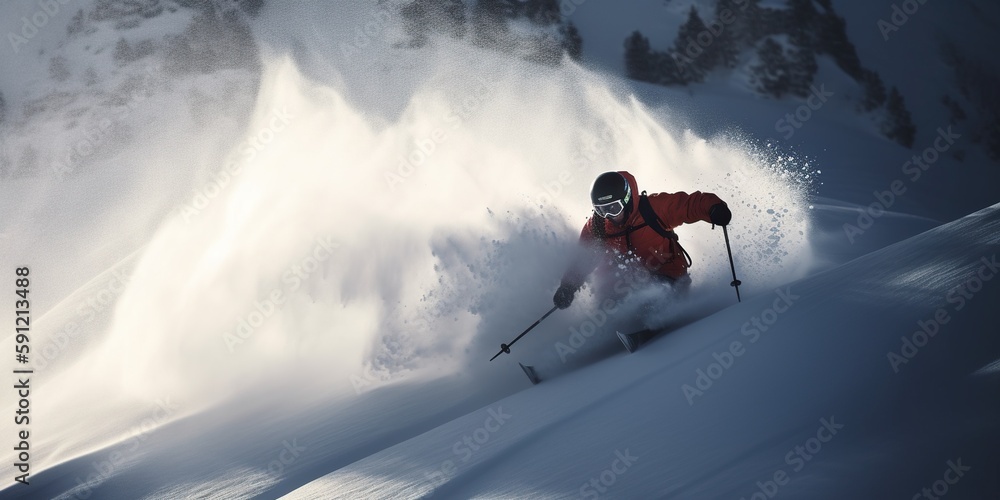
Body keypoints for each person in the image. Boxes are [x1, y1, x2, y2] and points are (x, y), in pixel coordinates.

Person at [553, 170, 731, 310]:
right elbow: (583, 259)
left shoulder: (653, 209)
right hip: (629, 284)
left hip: (669, 276)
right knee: (610, 304)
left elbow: (690, 204)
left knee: (651, 296)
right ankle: (617, 329)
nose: (609, 216)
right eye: (601, 210)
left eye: (614, 208)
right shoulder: (598, 227)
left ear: (627, 200)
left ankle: (651, 319)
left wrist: (714, 209)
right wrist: (568, 287)